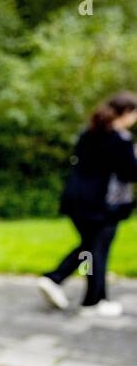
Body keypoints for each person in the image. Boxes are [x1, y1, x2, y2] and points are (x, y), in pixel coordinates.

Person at [37, 91, 137, 317]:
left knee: (90, 249)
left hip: (76, 199)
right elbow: (129, 172)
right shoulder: (119, 138)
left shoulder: (89, 133)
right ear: (127, 112)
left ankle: (57, 279)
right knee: (97, 250)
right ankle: (91, 300)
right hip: (101, 205)